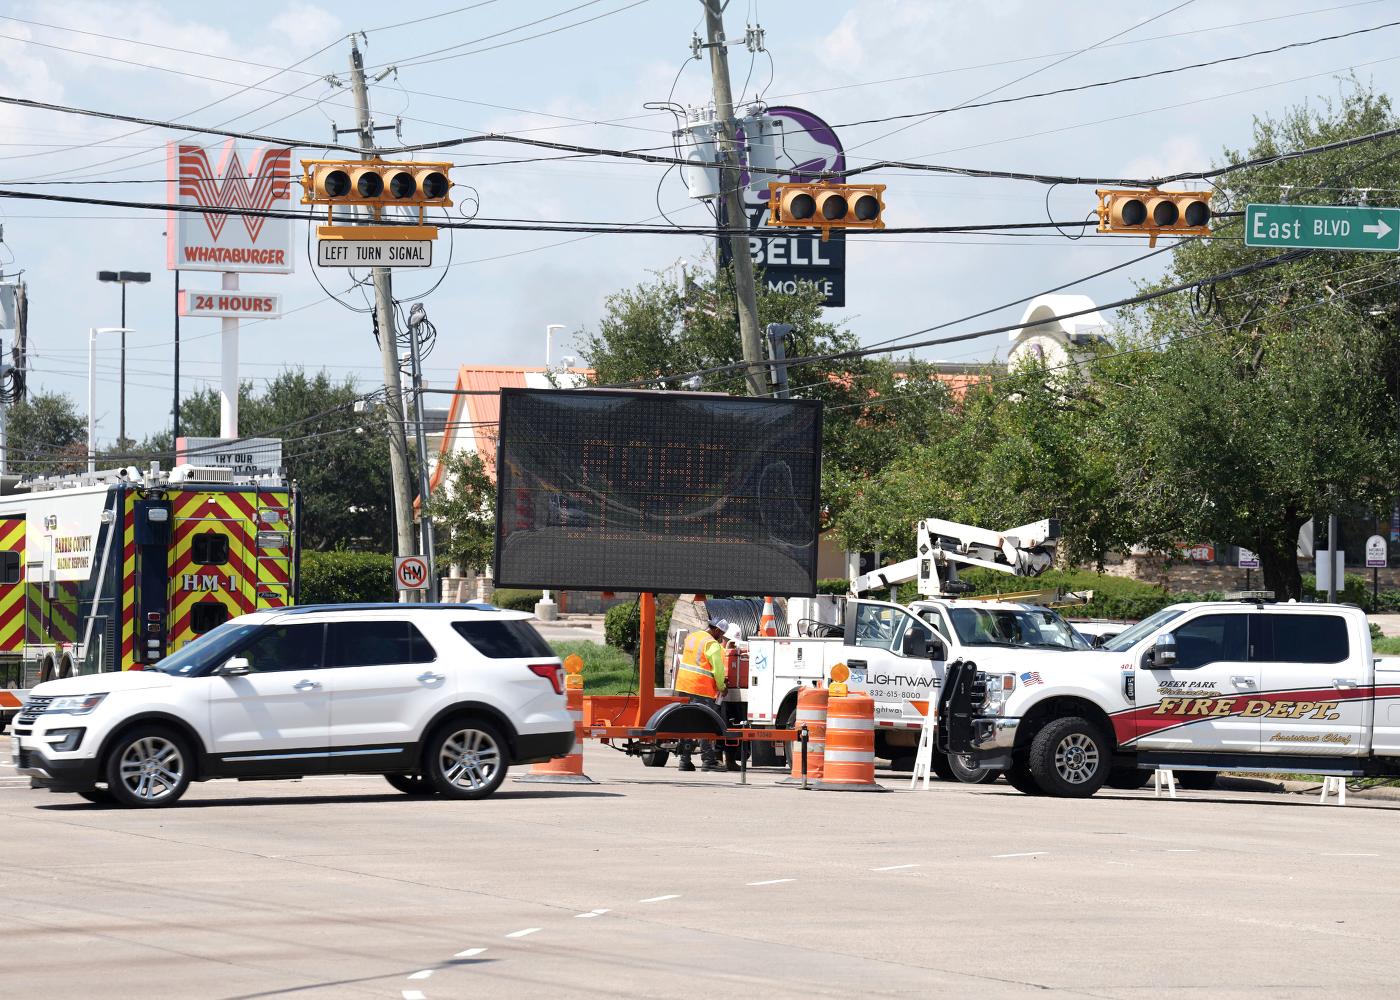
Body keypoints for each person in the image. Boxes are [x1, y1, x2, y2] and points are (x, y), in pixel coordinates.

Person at [674, 617, 729, 772]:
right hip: (700, 688)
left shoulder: (692, 637)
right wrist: (722, 686)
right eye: (722, 634)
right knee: (704, 724)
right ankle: (708, 760)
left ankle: (684, 761)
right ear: (717, 630)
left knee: (686, 723)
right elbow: (718, 670)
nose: (722, 637)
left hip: (684, 686)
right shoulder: (711, 644)